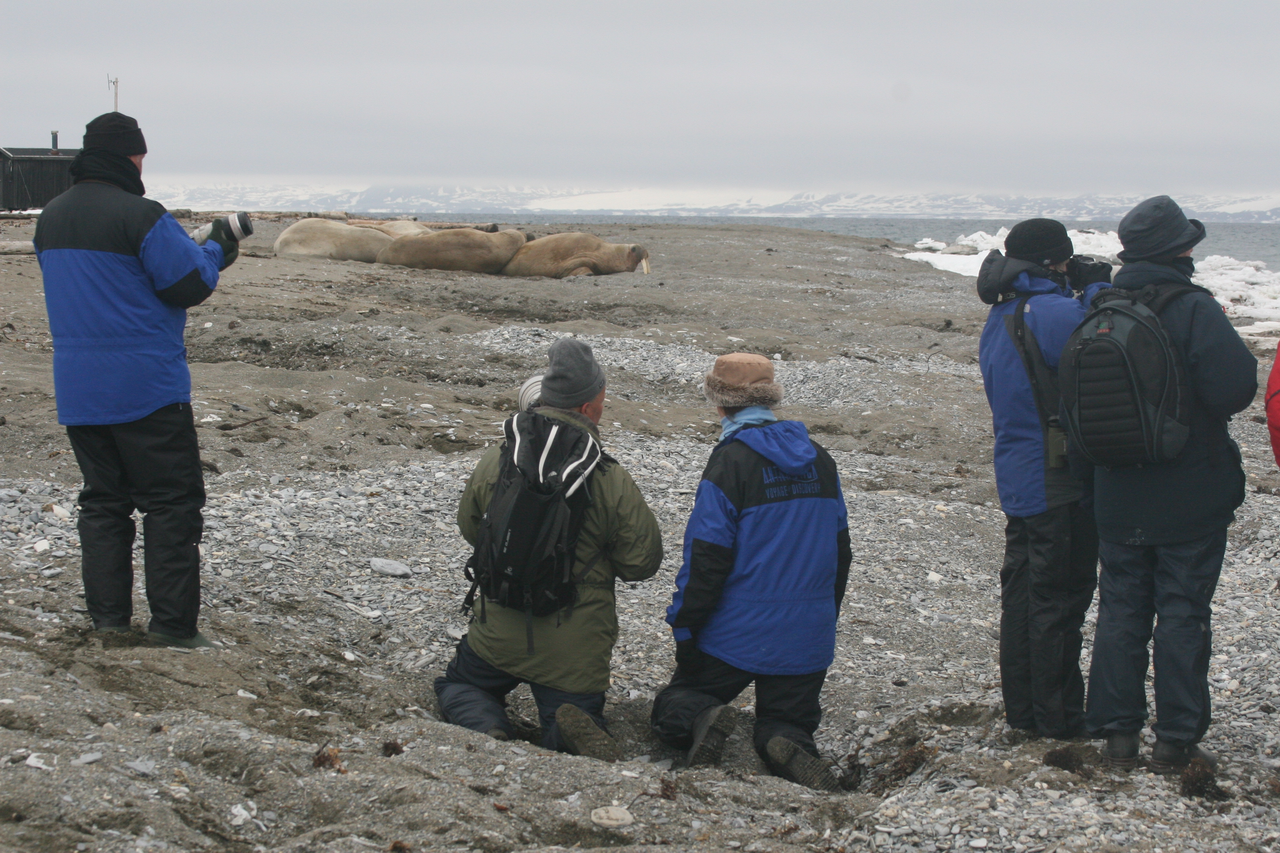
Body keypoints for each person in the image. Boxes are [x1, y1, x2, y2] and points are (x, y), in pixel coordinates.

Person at [33, 113, 240, 649]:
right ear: (133, 156)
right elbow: (188, 284)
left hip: (79, 390)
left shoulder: (50, 218)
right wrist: (218, 247)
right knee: (170, 505)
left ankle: (110, 623)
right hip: (147, 388)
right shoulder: (141, 214)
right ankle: (172, 628)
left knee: (103, 503)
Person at [1084, 196, 1257, 772]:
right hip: (1190, 492)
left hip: (1115, 489)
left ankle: (1117, 736)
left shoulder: (1099, 306)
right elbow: (1234, 390)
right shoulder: (1194, 309)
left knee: (1120, 610)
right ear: (1182, 250)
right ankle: (1176, 740)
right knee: (1183, 612)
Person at [435, 339, 663, 759]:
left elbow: (471, 527)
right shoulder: (608, 476)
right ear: (590, 406)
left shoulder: (500, 459)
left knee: (461, 686)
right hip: (574, 652)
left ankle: (487, 725)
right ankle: (565, 737)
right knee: (574, 718)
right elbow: (641, 563)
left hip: (497, 632)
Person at [650, 353, 851, 790]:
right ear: (769, 398)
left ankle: (702, 716)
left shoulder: (729, 463)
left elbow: (706, 559)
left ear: (719, 404)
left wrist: (685, 630)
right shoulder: (822, 460)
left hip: (736, 633)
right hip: (807, 634)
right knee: (787, 721)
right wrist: (820, 618)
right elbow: (842, 552)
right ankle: (787, 742)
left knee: (676, 702)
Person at [976, 219, 1111, 740]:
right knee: (1059, 599)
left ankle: (1026, 713)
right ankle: (1058, 720)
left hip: (1020, 475)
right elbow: (1102, 338)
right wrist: (1098, 287)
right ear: (1057, 259)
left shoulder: (1001, 312)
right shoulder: (1054, 311)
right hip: (1058, 478)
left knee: (1025, 596)